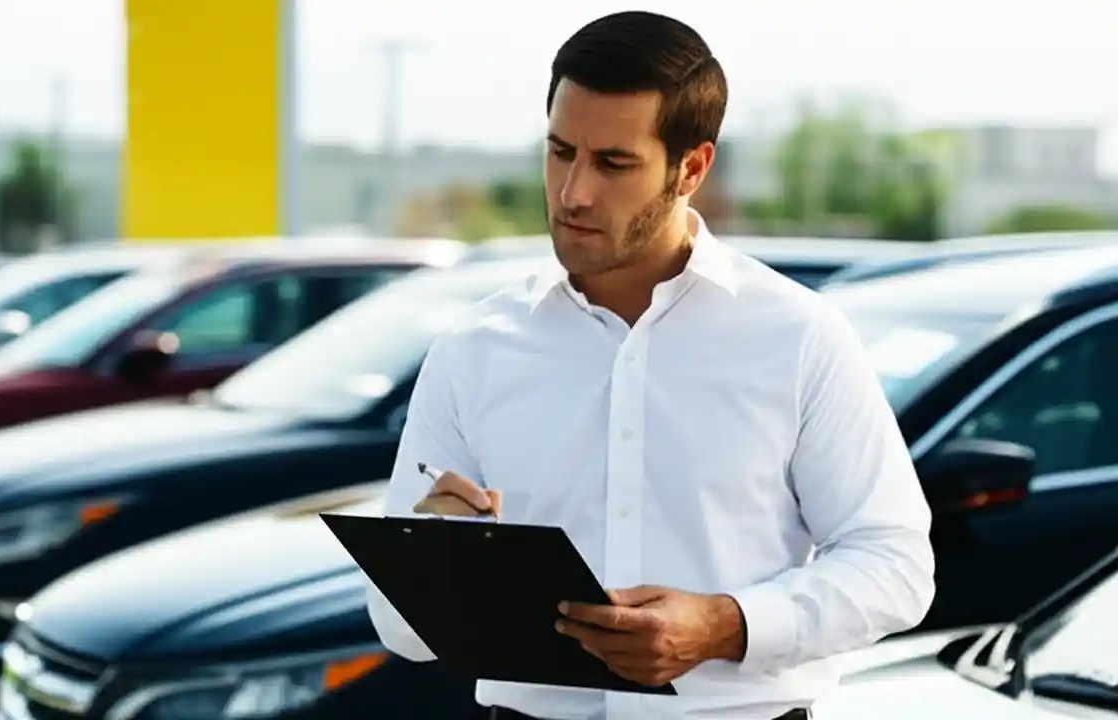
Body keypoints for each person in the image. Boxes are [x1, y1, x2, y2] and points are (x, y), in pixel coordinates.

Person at [366, 10, 935, 720]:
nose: (574, 191)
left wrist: (726, 625)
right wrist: (443, 555)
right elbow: (396, 628)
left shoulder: (799, 337)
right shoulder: (473, 349)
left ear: (691, 167)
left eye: (613, 163)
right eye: (560, 151)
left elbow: (896, 567)